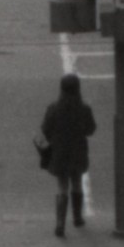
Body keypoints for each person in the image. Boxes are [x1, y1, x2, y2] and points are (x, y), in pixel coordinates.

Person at [40, 73, 97, 237]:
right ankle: (77, 217)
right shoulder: (84, 109)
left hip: (60, 153)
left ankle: (60, 224)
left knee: (62, 187)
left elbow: (45, 130)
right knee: (77, 183)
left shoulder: (54, 108)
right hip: (78, 152)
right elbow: (91, 129)